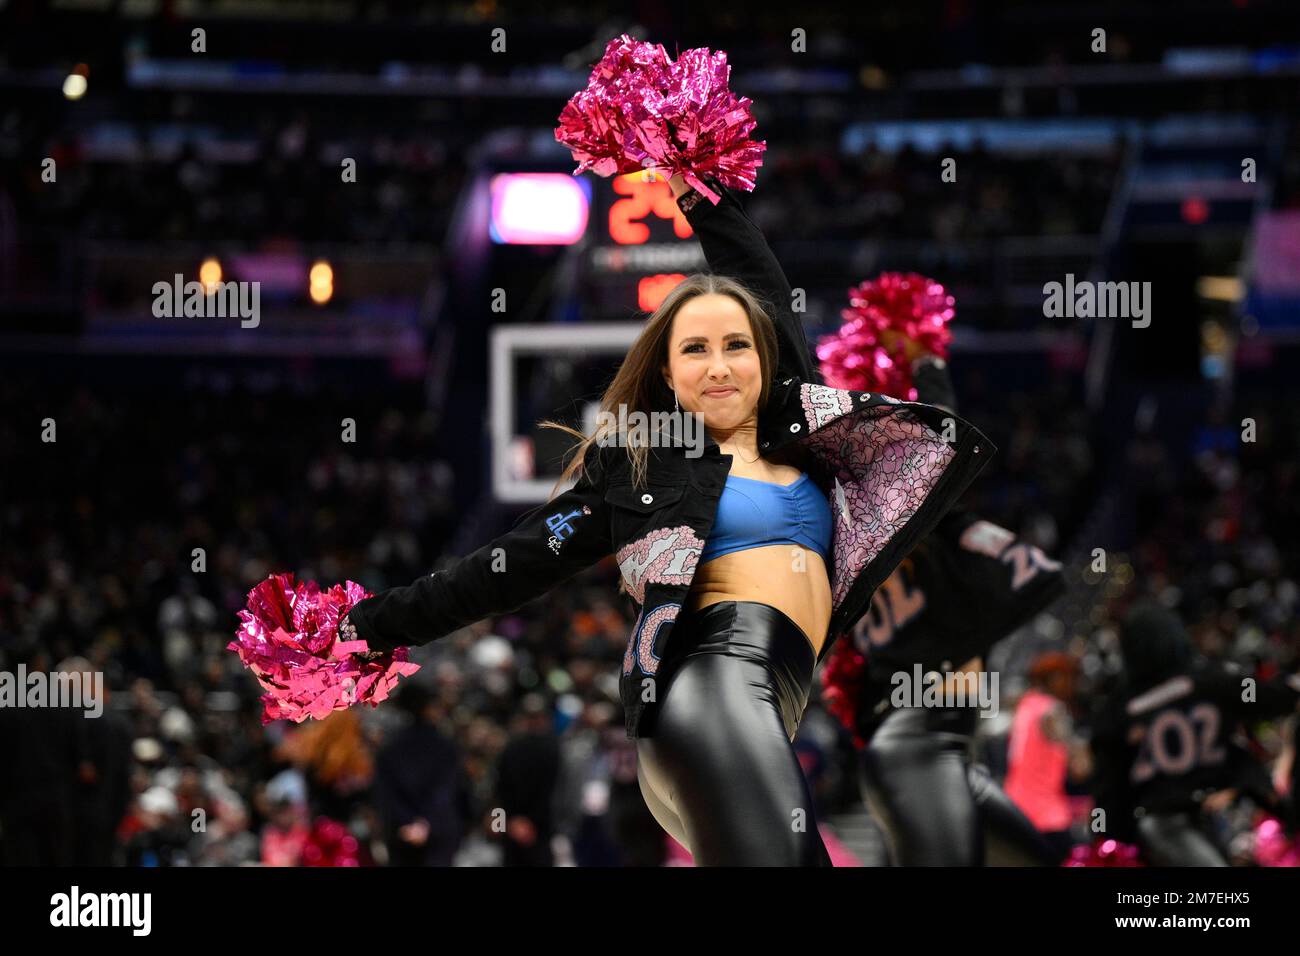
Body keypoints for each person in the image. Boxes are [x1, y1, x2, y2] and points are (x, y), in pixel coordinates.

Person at [339, 169, 992, 865]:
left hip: (768, 706)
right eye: (695, 349)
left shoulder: (801, 435)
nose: (719, 366)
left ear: (767, 358)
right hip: (707, 690)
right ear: (668, 373)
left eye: (736, 345)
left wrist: (693, 174)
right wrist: (364, 627)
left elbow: (755, 271)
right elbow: (502, 570)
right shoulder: (645, 469)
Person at [822, 335, 1067, 866]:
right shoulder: (911, 526)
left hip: (947, 751)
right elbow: (945, 441)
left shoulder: (856, 542)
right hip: (917, 745)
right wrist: (927, 364)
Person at [1090, 601, 1300, 866]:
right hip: (1211, 815)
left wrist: (1106, 841)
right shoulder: (1212, 679)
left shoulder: (1117, 710)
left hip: (1167, 824)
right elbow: (1276, 698)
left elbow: (1107, 791)